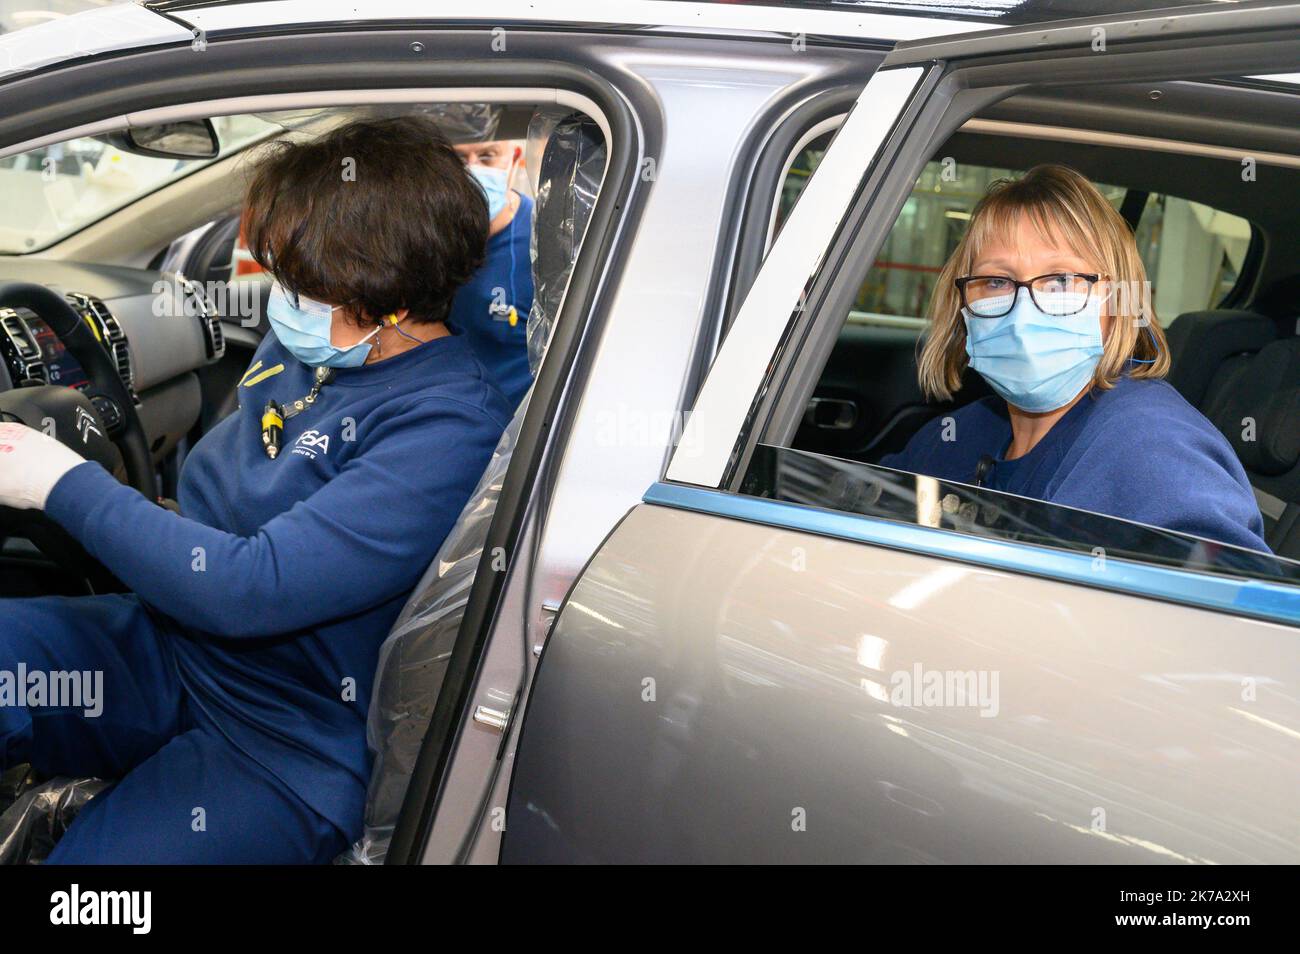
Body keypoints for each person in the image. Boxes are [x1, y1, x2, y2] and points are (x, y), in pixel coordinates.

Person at [0, 115, 512, 863]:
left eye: (304, 284)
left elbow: (250, 589)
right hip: (173, 646)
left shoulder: (447, 425)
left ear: (391, 298)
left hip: (286, 738)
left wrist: (62, 483)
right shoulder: (324, 335)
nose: (283, 299)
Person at [880, 164, 1268, 553]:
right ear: (962, 306)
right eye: (997, 281)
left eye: (1060, 280)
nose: (1022, 309)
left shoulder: (1152, 450)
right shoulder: (963, 433)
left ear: (1120, 302)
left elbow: (1228, 603)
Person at [448, 134, 536, 408]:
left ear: (515, 158)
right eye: (459, 158)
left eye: (487, 156)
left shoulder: (544, 246)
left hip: (509, 430)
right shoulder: (422, 236)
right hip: (436, 411)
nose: (472, 170)